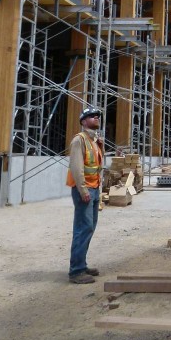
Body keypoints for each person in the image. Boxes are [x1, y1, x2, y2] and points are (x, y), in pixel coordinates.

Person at [67, 106, 104, 284]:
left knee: (89, 227)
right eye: (92, 116)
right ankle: (76, 271)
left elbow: (96, 167)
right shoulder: (79, 140)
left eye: (97, 116)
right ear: (83, 122)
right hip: (85, 190)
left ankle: (81, 263)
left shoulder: (94, 141)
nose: (96, 118)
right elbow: (76, 167)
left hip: (94, 188)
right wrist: (83, 190)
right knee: (83, 228)